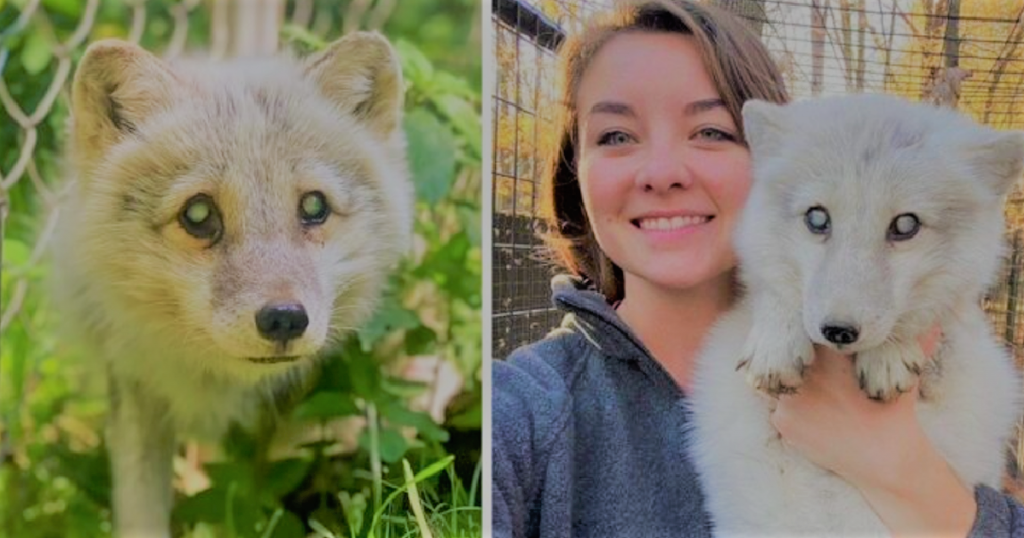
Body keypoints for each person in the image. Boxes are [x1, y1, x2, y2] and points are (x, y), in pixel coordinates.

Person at [490, 1, 1024, 537]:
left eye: (710, 131)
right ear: (574, 170)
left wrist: (904, 474)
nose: (661, 173)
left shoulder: (938, 344)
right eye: (615, 136)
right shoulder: (526, 411)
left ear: (768, 155)